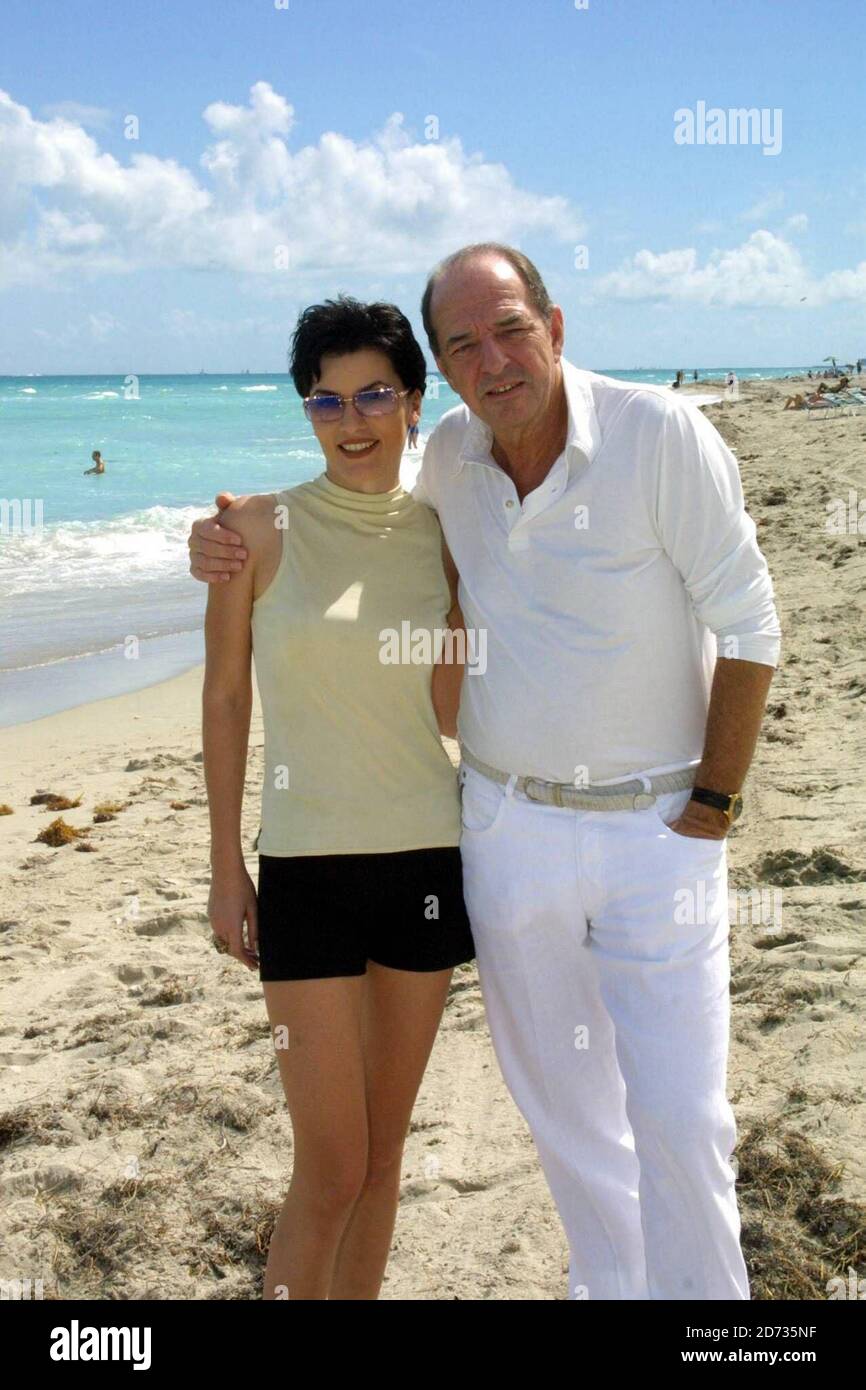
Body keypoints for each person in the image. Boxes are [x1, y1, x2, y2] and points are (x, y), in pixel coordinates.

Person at [189, 243, 781, 1302]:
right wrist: (220, 544)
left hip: (555, 840)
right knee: (453, 1136)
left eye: (509, 329)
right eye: (462, 340)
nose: (491, 357)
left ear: (552, 331)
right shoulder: (354, 496)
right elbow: (258, 652)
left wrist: (715, 795)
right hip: (414, 849)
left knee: (653, 1119)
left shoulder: (580, 461)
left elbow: (733, 621)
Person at [200, 294, 474, 1300]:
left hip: (426, 863)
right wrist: (227, 863)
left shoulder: (447, 536)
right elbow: (225, 697)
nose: (351, 422)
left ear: (412, 402)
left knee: (384, 1152)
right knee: (329, 1165)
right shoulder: (254, 531)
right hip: (305, 867)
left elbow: (451, 710)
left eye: (373, 396)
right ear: (305, 411)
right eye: (325, 401)